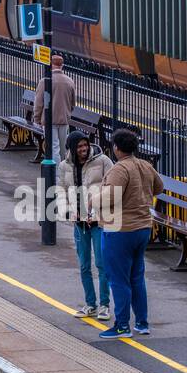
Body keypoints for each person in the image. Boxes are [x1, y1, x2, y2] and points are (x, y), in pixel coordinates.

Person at [99, 129, 163, 339]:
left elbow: (110, 197)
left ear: (117, 148)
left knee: (118, 279)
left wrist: (91, 201)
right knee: (137, 277)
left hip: (119, 229)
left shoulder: (120, 169)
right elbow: (159, 188)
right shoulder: (145, 165)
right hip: (143, 227)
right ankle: (142, 323)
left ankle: (122, 325)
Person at [57, 130, 113, 320]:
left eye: (85, 145)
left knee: (102, 264)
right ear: (72, 148)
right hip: (79, 221)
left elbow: (112, 187)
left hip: (99, 221)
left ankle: (105, 305)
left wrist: (100, 208)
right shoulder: (65, 166)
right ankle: (91, 304)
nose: (83, 149)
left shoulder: (103, 161)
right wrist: (65, 209)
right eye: (79, 146)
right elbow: (62, 190)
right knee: (84, 266)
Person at [32, 53, 75, 163]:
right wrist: (67, 113)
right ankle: (64, 171)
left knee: (53, 148)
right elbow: (72, 103)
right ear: (62, 66)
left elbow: (38, 103)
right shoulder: (69, 81)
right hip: (64, 120)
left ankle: (56, 174)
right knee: (63, 149)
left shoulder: (45, 81)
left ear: (51, 65)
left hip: (49, 120)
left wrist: (37, 119)